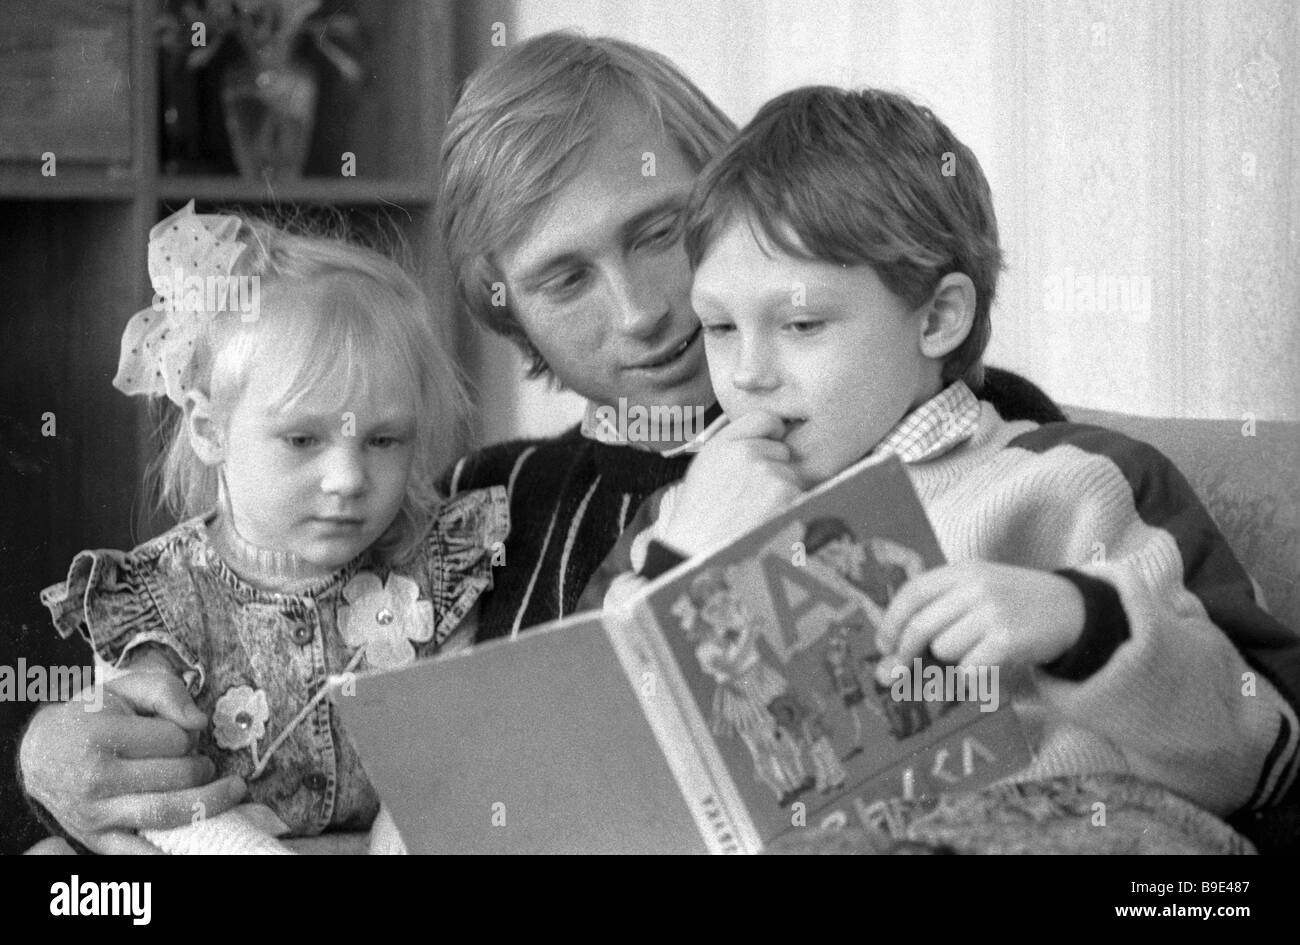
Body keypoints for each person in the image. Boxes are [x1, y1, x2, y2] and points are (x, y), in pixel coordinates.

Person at [9, 32, 1160, 852]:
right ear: (503, 308)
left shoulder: (969, 439)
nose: (643, 312)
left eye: (660, 233)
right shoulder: (465, 508)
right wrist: (62, 758)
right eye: (564, 276)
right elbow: (259, 671)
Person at [596, 85, 1299, 852]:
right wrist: (680, 568)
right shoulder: (678, 518)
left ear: (937, 318)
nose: (749, 373)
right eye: (721, 328)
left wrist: (1081, 623)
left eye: (801, 323)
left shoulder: (1071, 477)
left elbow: (1266, 753)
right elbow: (586, 781)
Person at [25, 203, 507, 853]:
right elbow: (150, 799)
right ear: (207, 429)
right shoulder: (157, 600)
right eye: (303, 437)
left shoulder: (438, 569)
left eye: (385, 438)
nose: (347, 477)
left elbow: (453, 757)